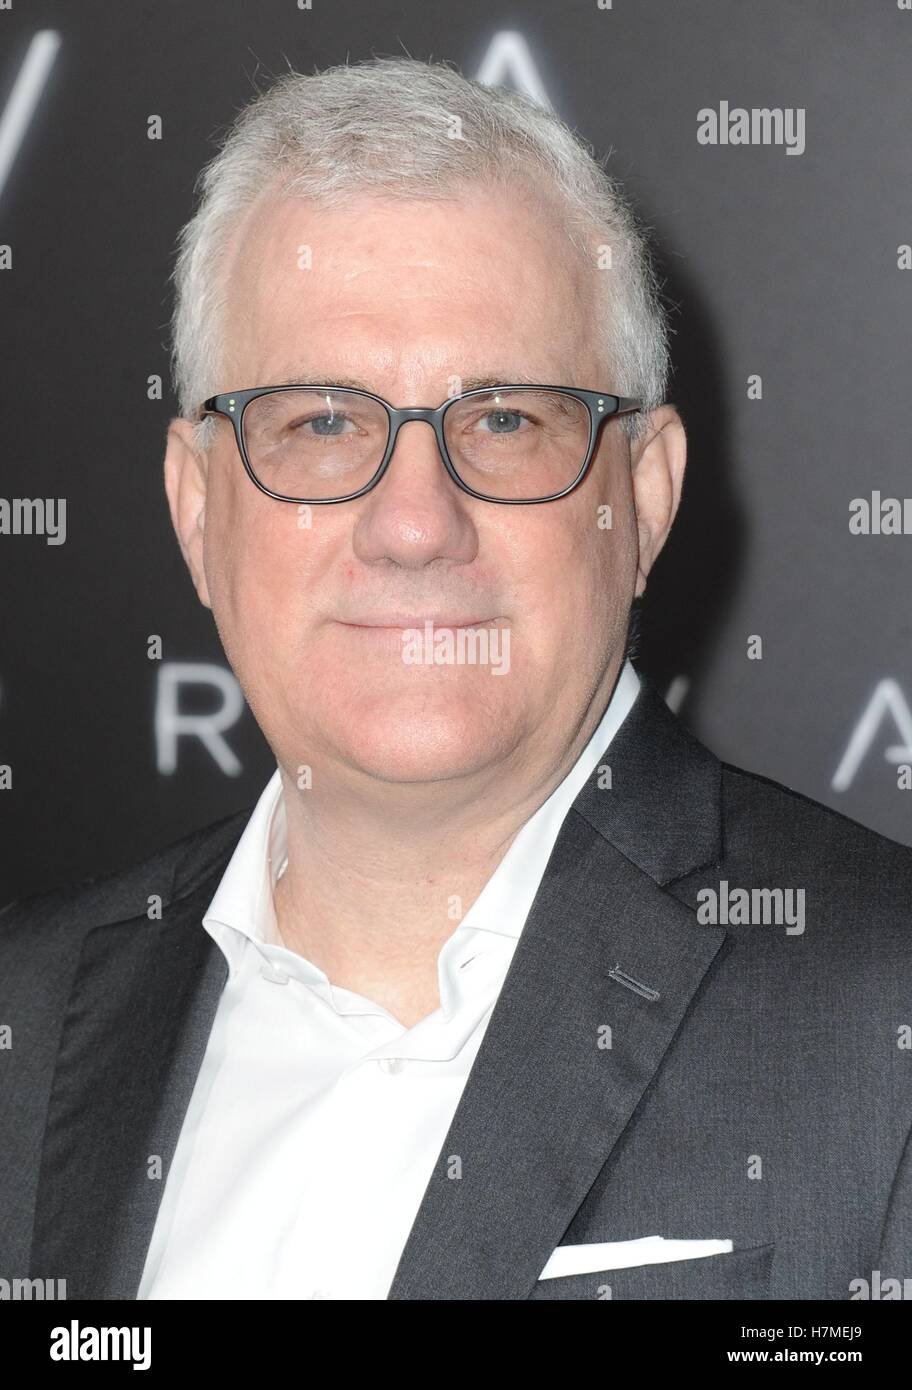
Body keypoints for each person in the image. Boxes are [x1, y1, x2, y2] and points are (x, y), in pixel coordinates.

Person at [2, 55, 910, 1302]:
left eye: (505, 420)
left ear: (642, 498)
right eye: (321, 422)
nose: (415, 524)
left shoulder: (883, 1017)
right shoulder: (24, 1018)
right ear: (198, 509)